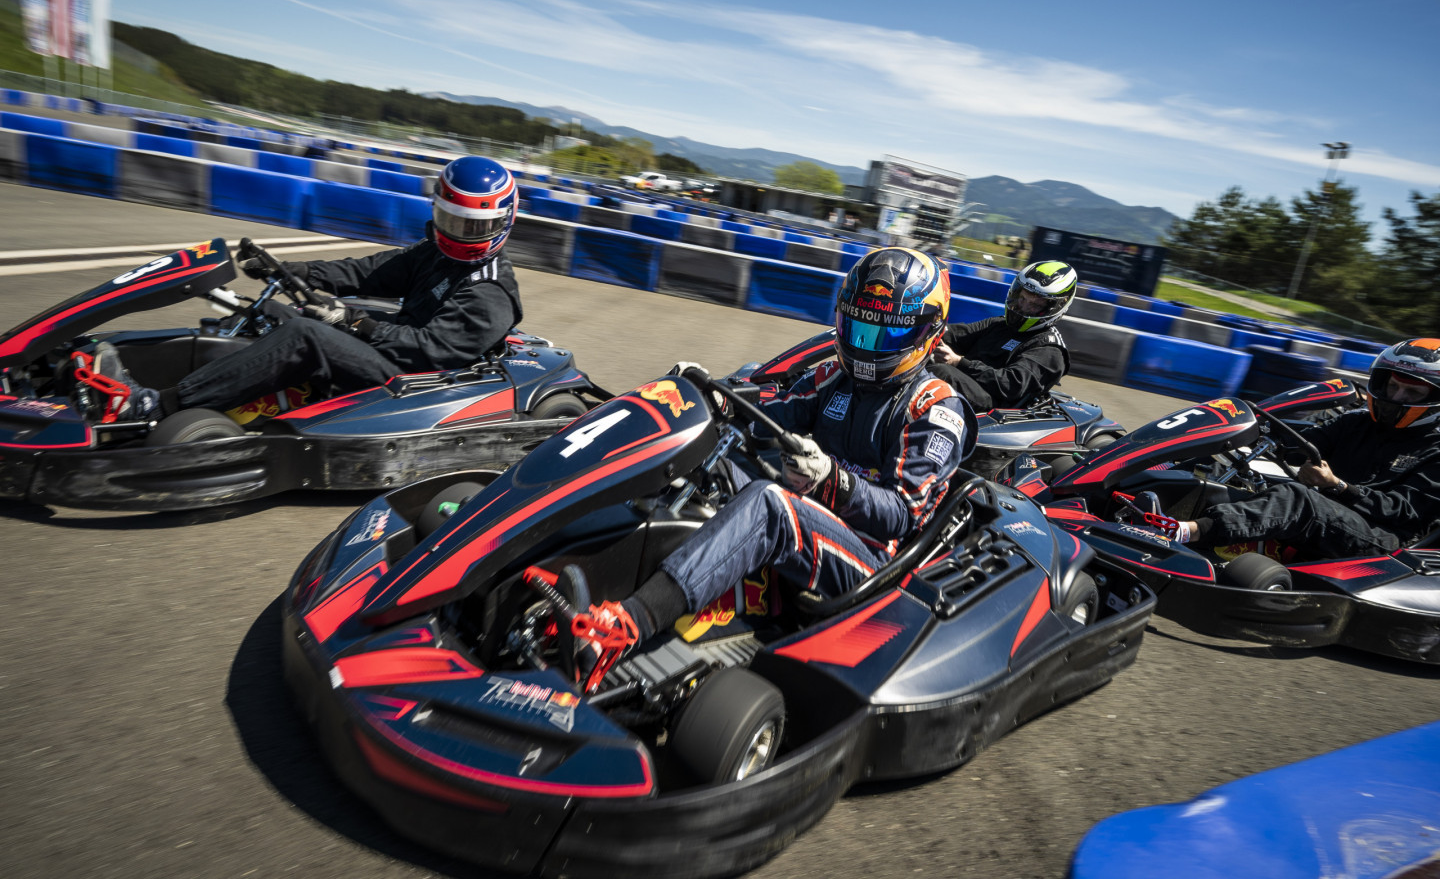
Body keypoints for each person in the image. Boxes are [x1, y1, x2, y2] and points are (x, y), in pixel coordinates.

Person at [542, 247, 979, 692]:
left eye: (882, 336)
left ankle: (627, 625)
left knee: (771, 507)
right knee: (708, 469)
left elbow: (903, 516)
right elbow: (769, 408)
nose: (865, 345)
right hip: (813, 514)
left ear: (926, 334)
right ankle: (582, 560)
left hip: (872, 565)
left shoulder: (937, 409)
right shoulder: (833, 376)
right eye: (860, 329)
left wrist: (833, 481)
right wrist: (710, 394)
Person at [74, 155, 524, 422]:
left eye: (474, 226)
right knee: (275, 316)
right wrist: (291, 271)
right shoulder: (434, 253)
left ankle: (155, 406)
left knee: (307, 334)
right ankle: (176, 377)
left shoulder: (490, 293)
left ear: (502, 223)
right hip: (391, 353)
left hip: (420, 382)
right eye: (452, 220)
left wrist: (355, 322)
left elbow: (431, 351)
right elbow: (364, 272)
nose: (460, 233)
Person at [1127, 339, 1440, 559]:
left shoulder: (1435, 450)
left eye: (1411, 391)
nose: (1395, 397)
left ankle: (1181, 532)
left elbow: (1404, 512)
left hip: (1385, 541)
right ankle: (1129, 489)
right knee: (1227, 462)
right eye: (1392, 386)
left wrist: (1339, 487)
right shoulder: (1358, 423)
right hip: (1327, 509)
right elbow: (1297, 444)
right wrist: (1246, 429)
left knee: (1298, 499)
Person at [928, 260, 1076, 411]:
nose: (1024, 308)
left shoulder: (1049, 349)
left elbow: (1010, 385)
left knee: (941, 372)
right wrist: (928, 328)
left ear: (1056, 307)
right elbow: (955, 334)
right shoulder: (1000, 325)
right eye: (1022, 299)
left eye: (1035, 305)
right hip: (967, 386)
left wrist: (960, 362)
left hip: (996, 407)